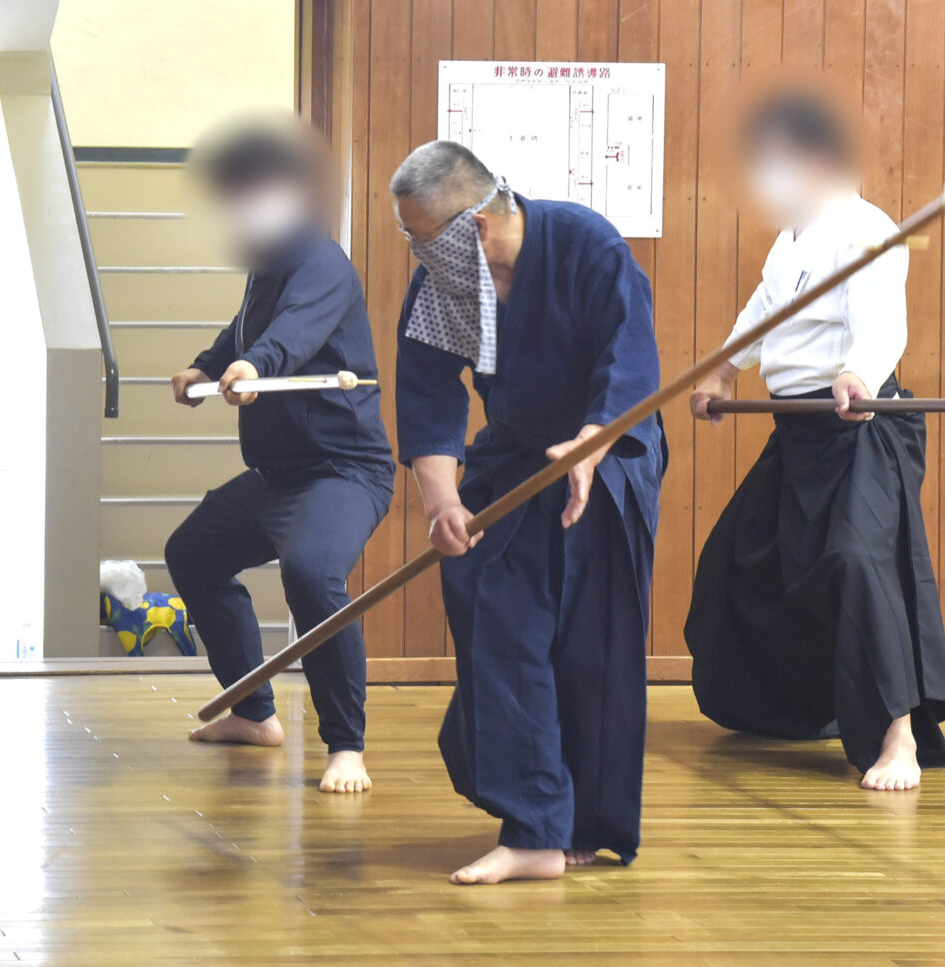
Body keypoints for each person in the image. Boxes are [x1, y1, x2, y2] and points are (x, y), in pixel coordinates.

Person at [390, 140, 665, 884]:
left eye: (420, 238)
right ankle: (538, 825)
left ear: (472, 227)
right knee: (494, 607)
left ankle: (582, 823)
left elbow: (629, 360)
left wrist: (590, 443)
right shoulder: (446, 286)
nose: (415, 254)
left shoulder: (585, 244)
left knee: (590, 638)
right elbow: (429, 393)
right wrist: (442, 499)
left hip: (605, 447)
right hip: (512, 454)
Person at [683, 88, 945, 791]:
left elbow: (882, 321)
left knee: (856, 562)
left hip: (860, 423)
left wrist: (856, 371)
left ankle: (898, 736)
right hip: (801, 429)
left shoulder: (865, 227)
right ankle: (798, 707)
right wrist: (722, 370)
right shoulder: (796, 236)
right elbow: (763, 309)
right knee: (740, 555)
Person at [164, 117, 395, 795]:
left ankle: (347, 745)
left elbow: (287, 337)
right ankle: (252, 711)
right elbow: (244, 332)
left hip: (343, 472)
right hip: (278, 476)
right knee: (194, 553)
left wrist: (251, 366)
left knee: (311, 571)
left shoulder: (322, 262)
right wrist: (203, 367)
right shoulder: (265, 266)